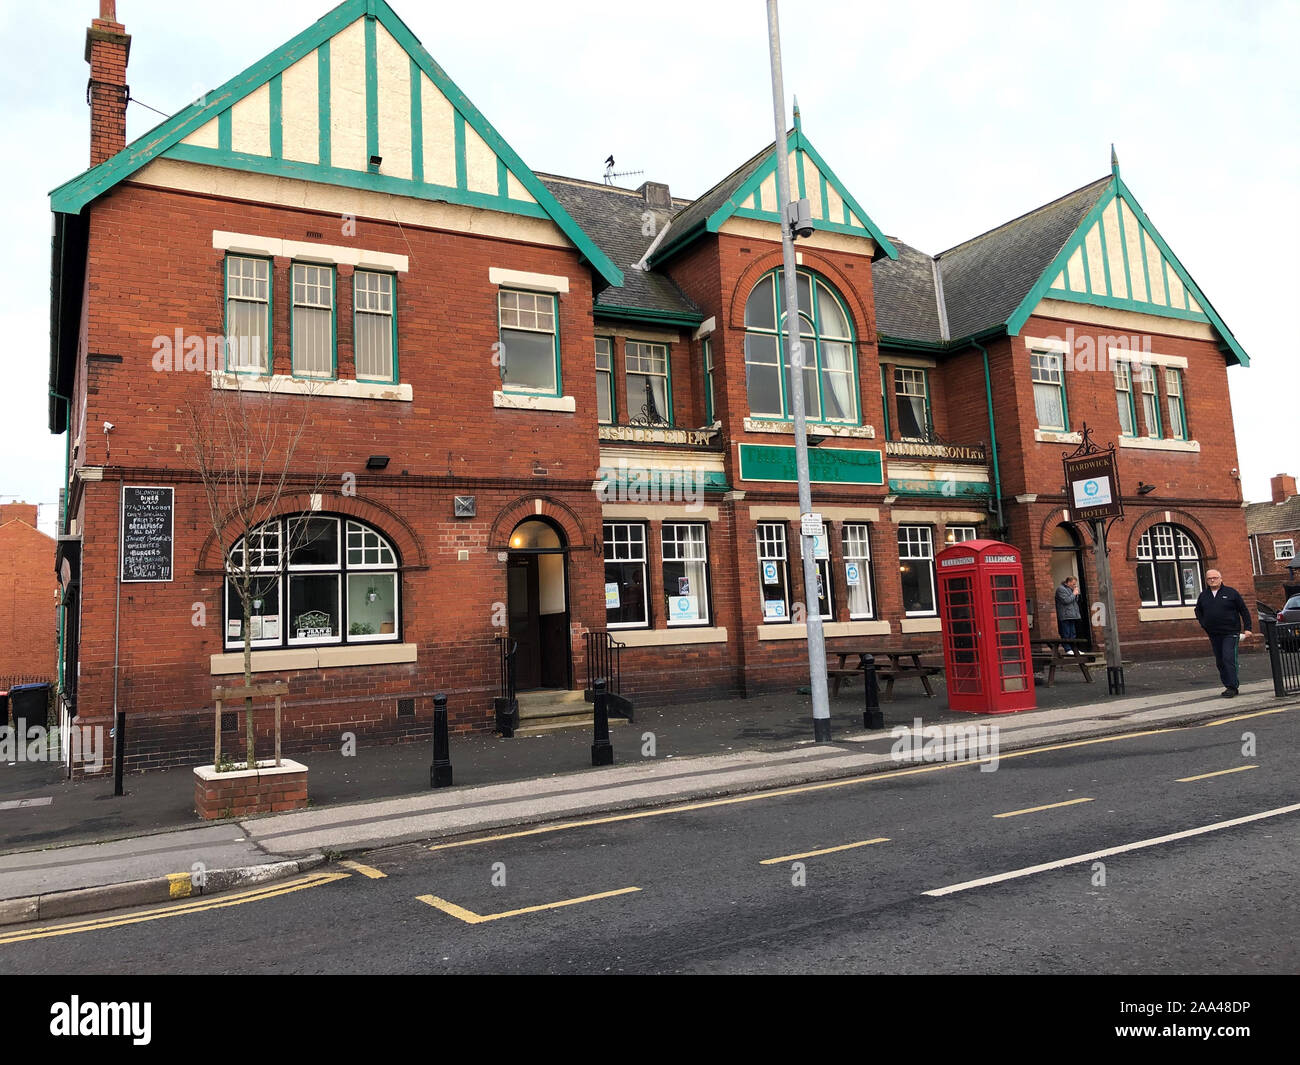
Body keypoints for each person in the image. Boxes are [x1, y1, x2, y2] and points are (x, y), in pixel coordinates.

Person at [1194, 569, 1252, 697]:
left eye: (1215, 577)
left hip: (1230, 633)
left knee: (1228, 658)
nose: (1212, 580)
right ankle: (1227, 685)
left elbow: (1244, 610)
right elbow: (1198, 611)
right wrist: (1205, 624)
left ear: (1221, 578)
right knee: (1220, 661)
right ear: (1206, 580)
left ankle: (1232, 686)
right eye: (1209, 578)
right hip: (1214, 633)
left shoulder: (1231, 593)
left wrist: (1248, 628)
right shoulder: (1204, 595)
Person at [1055, 576, 1081, 653]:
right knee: (1066, 633)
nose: (1074, 586)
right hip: (1065, 615)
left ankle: (1074, 649)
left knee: (1073, 633)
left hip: (1072, 614)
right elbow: (1066, 600)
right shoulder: (1061, 589)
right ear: (1068, 582)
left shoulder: (1071, 589)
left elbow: (1074, 601)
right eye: (1073, 584)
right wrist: (1073, 594)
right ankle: (1067, 649)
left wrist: (1076, 594)